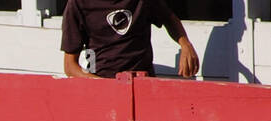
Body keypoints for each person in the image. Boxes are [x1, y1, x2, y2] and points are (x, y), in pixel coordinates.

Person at [62, 0, 199, 78]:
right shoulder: (78, 3)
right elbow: (70, 66)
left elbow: (169, 18)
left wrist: (186, 44)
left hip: (143, 85)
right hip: (102, 85)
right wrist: (102, 86)